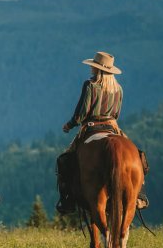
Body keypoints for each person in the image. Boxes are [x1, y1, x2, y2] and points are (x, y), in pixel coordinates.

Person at [56, 51, 149, 213]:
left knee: (65, 161)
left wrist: (70, 125)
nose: (91, 68)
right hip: (113, 127)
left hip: (91, 126)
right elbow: (116, 114)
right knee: (139, 158)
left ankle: (68, 200)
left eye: (93, 66)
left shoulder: (90, 85)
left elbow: (82, 113)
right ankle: (140, 195)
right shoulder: (118, 89)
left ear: (98, 69)